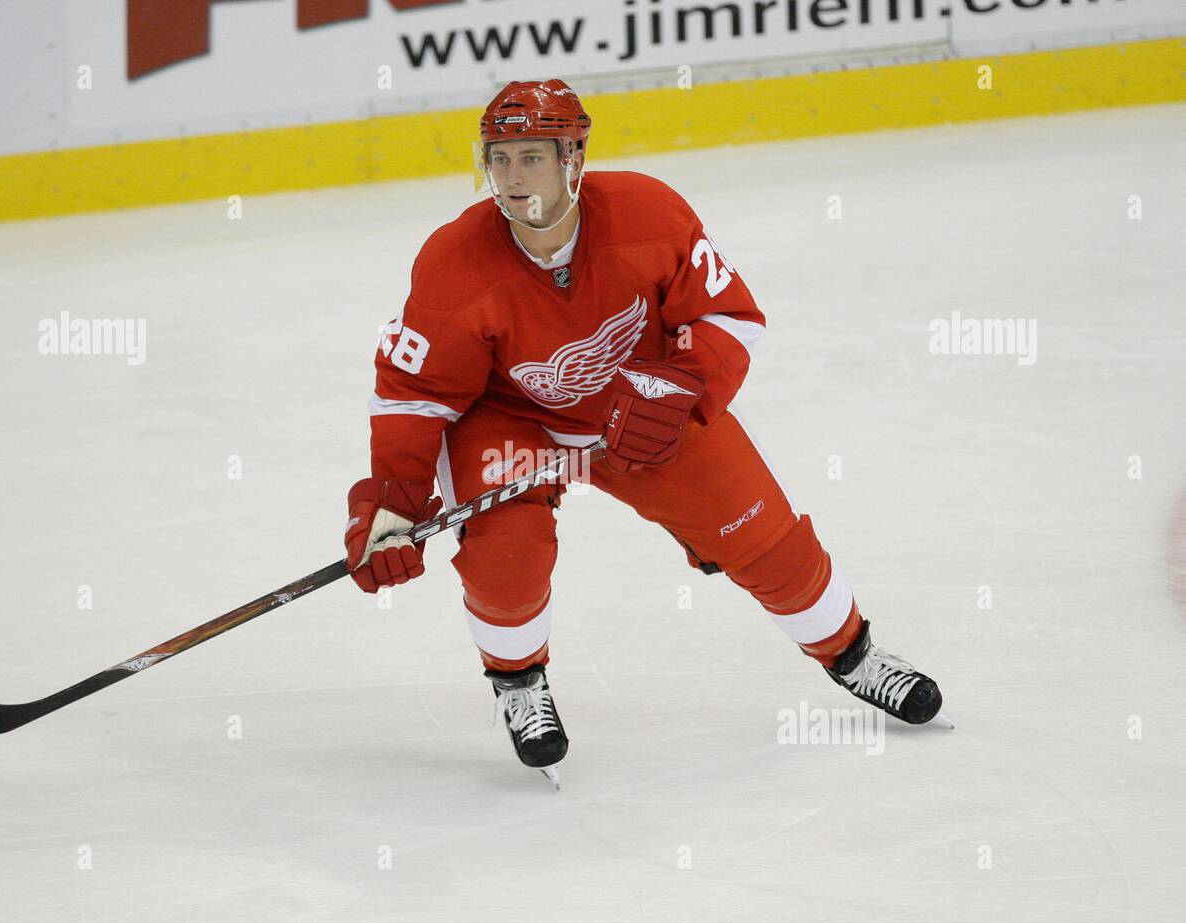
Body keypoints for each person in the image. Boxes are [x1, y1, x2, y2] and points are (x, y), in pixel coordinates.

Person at [343, 79, 943, 785]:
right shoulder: (453, 262)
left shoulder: (648, 212)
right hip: (514, 426)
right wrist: (393, 502)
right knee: (507, 555)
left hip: (646, 411)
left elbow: (727, 318)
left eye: (530, 157)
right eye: (498, 159)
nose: (510, 178)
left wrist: (680, 394)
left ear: (574, 158)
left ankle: (853, 653)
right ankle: (518, 683)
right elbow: (415, 396)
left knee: (765, 538)